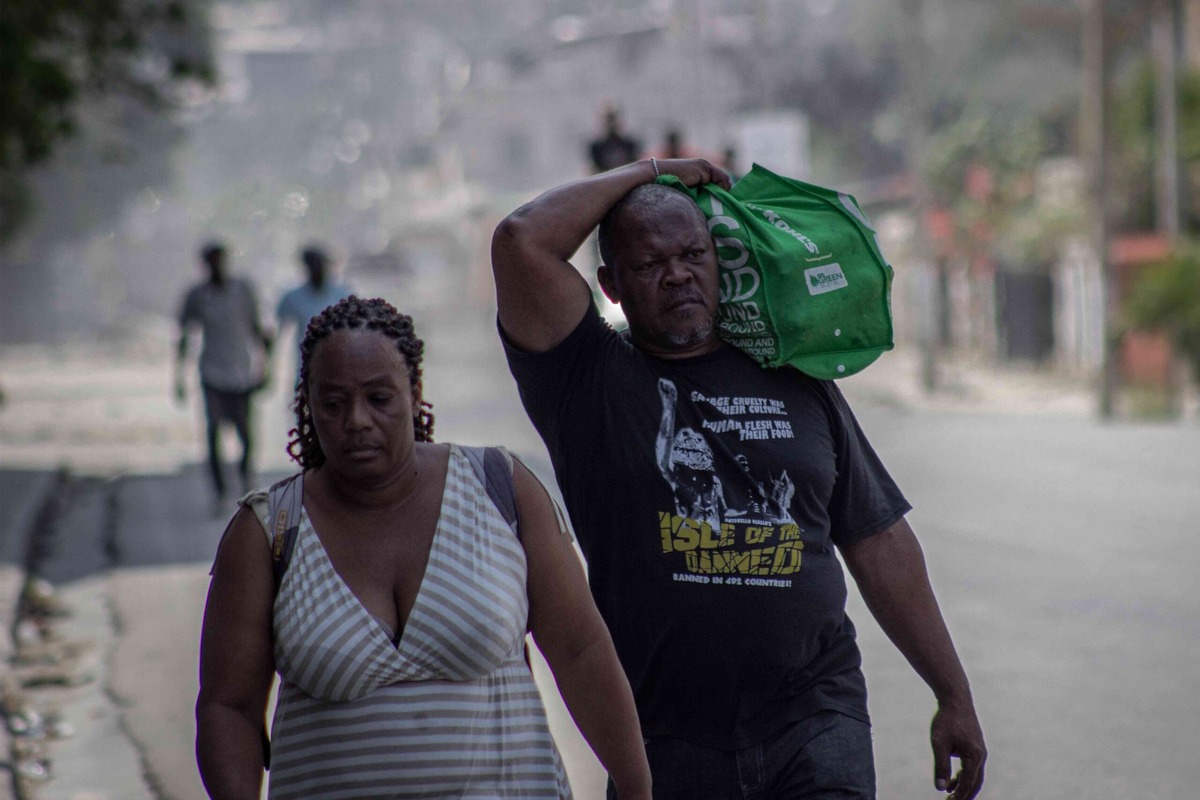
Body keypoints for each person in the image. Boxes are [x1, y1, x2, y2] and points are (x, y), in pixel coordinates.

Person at [491, 159, 987, 800]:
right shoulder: (586, 381)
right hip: (663, 738)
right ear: (610, 285)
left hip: (815, 716)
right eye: (650, 265)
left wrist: (953, 694)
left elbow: (878, 539)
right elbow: (520, 241)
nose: (678, 275)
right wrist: (656, 170)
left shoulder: (798, 378)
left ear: (721, 260)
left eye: (694, 253)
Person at [195, 296, 652, 799]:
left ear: (414, 394)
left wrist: (634, 785)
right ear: (308, 404)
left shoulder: (501, 489)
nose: (356, 420)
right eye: (332, 402)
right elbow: (228, 707)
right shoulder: (268, 531)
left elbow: (580, 649)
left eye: (379, 398)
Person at [175, 241, 273, 513]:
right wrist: (179, 377)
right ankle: (219, 492)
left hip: (241, 374)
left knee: (246, 436)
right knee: (214, 433)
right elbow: (185, 335)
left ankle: (245, 481)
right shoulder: (197, 295)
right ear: (205, 265)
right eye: (212, 261)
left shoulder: (243, 289)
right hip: (213, 374)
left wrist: (267, 366)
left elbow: (257, 329)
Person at [275, 244, 353, 387]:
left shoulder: (341, 293)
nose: (317, 269)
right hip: (306, 365)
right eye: (312, 265)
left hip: (339, 364)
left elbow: (354, 329)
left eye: (319, 264)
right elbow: (278, 328)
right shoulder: (294, 297)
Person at [590, 106, 643, 174]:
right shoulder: (596, 147)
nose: (611, 123)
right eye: (608, 119)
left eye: (612, 118)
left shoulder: (629, 145)